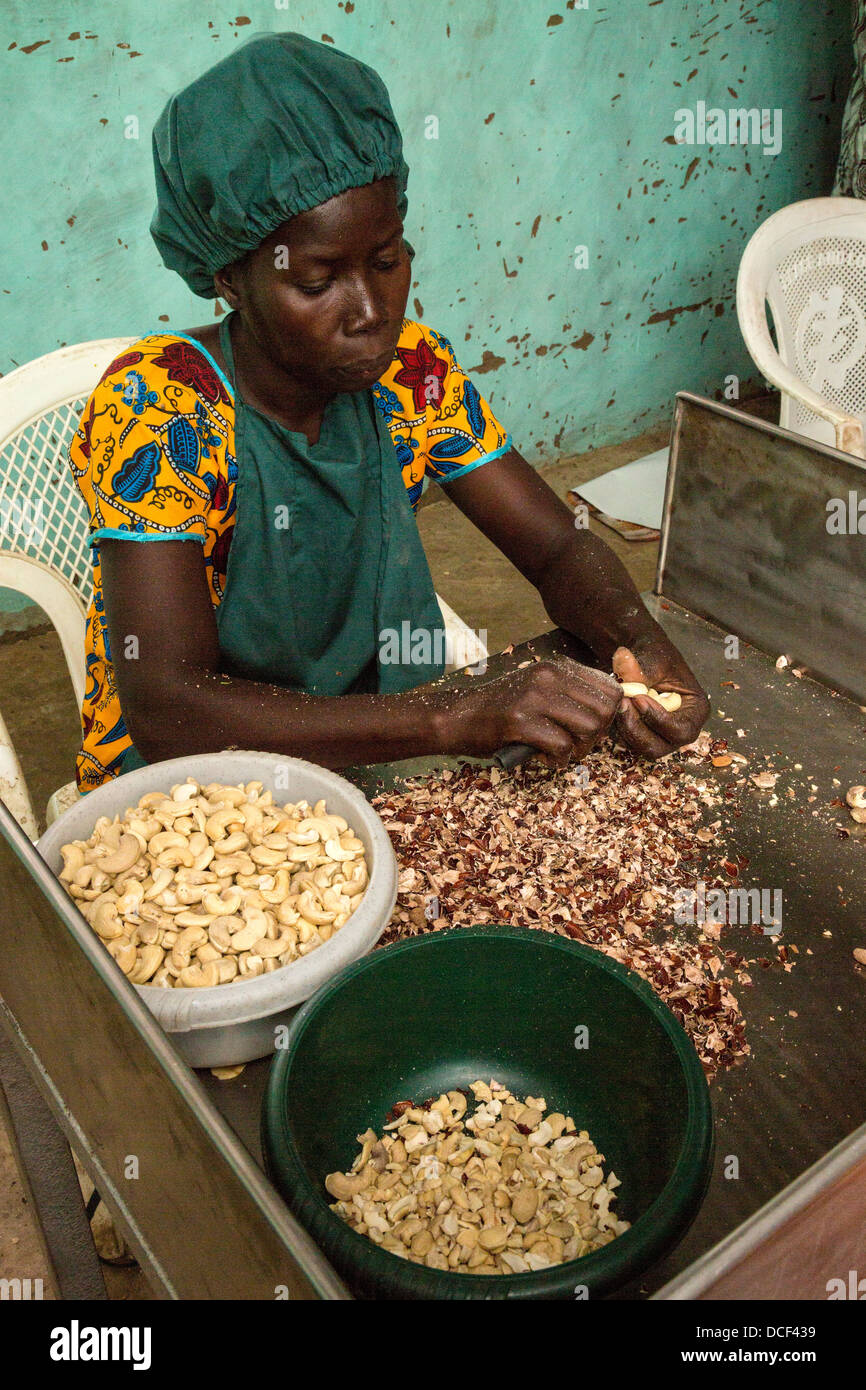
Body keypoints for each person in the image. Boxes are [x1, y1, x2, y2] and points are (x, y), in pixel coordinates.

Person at [68, 31, 709, 795]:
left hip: (364, 734)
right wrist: (445, 717)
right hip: (192, 783)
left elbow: (558, 550)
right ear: (232, 280)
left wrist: (637, 641)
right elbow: (169, 706)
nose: (371, 311)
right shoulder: (161, 410)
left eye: (386, 260)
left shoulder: (413, 374)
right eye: (318, 281)